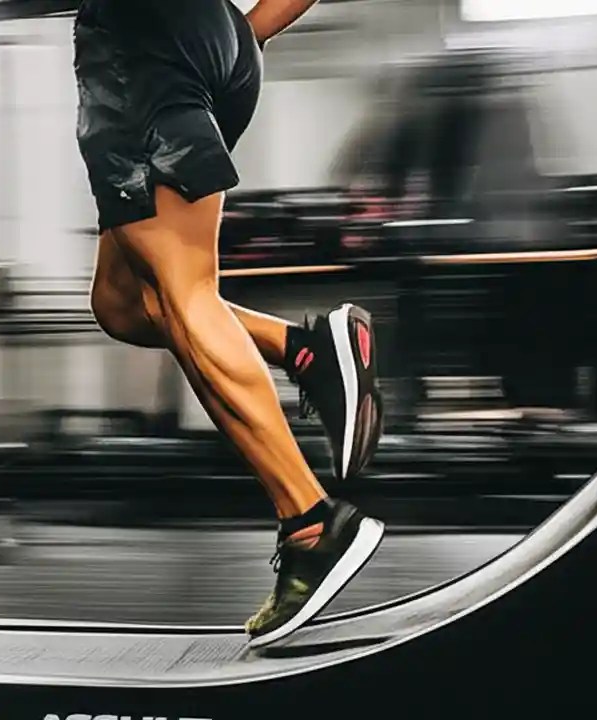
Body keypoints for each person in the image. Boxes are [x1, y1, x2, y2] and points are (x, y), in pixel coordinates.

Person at [73, 0, 386, 647]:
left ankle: (311, 521)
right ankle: (306, 350)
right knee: (125, 303)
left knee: (186, 295)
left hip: (139, 45)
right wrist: (243, 33)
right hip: (224, 44)